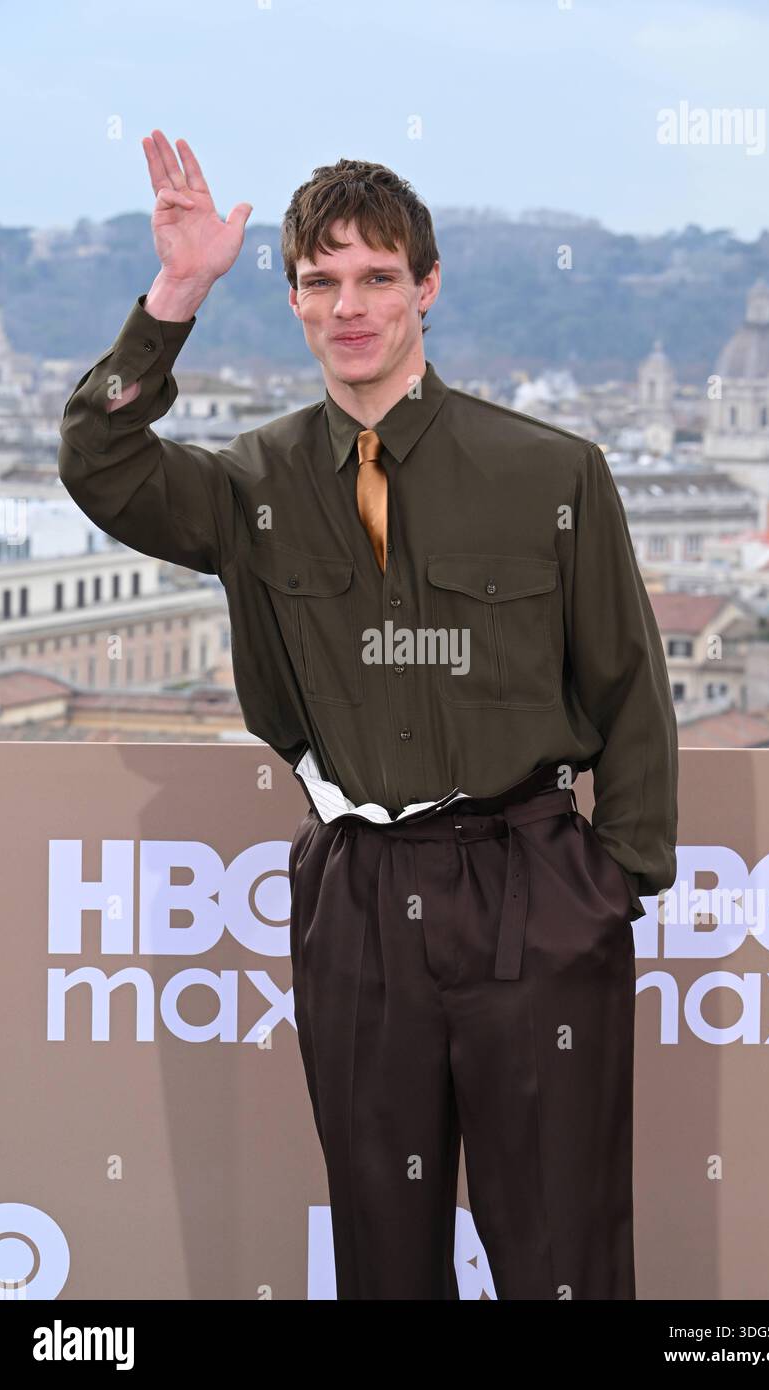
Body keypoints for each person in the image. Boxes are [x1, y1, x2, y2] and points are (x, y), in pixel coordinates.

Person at [59, 129, 678, 1300]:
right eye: (320, 280)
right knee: (383, 1262)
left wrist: (611, 886)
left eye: (376, 277)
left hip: (530, 891)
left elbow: (628, 688)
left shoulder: (551, 471)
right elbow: (97, 459)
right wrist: (175, 293)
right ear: (291, 298)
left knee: (563, 1256)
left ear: (425, 288)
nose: (349, 306)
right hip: (356, 901)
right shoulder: (250, 484)